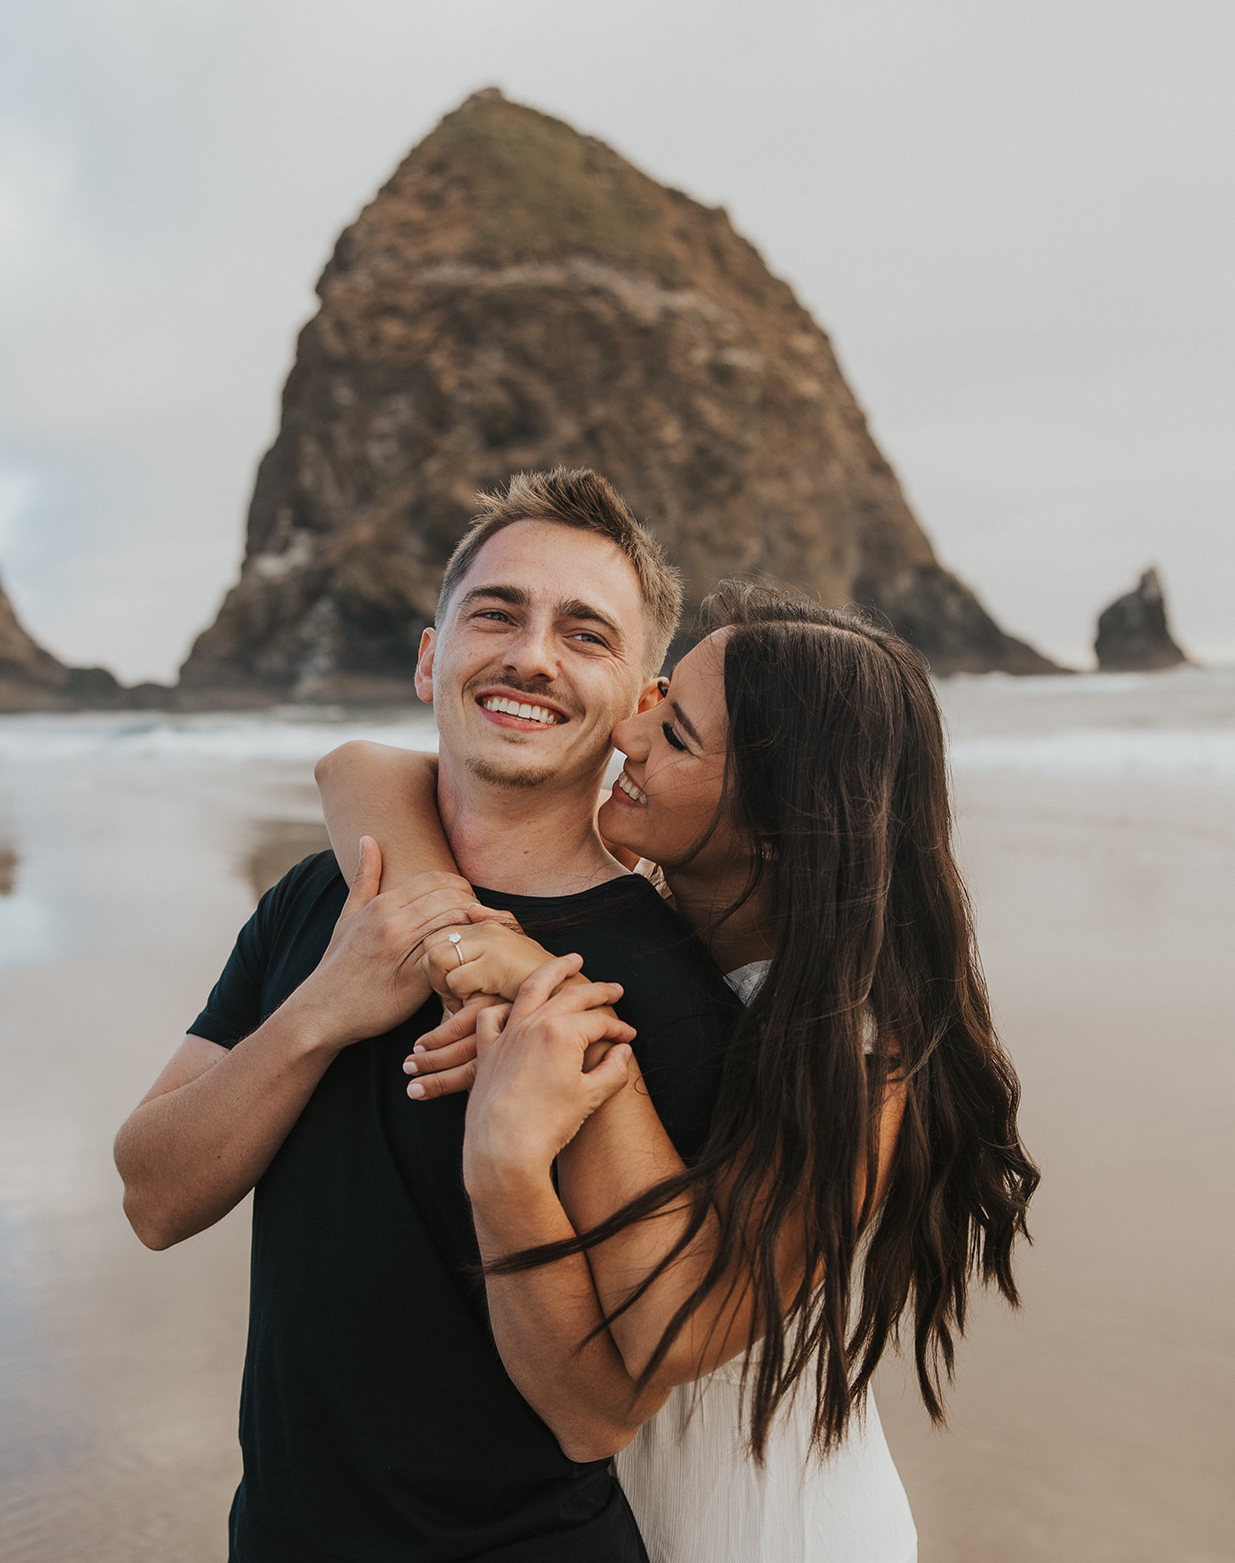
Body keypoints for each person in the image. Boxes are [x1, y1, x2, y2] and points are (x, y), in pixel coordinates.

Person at [317, 582, 1040, 1563]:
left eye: (677, 734)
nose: (627, 729)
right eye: (657, 696)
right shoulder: (656, 938)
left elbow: (676, 1319)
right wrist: (457, 943)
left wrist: (566, 1020)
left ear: (781, 826)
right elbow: (359, 772)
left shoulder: (858, 1049)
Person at [113, 469, 748, 1563]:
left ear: (638, 704)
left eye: (585, 634)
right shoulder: (319, 895)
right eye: (496, 613)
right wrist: (320, 1011)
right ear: (428, 658)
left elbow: (601, 1410)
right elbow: (152, 1197)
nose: (531, 657)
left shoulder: (669, 997)